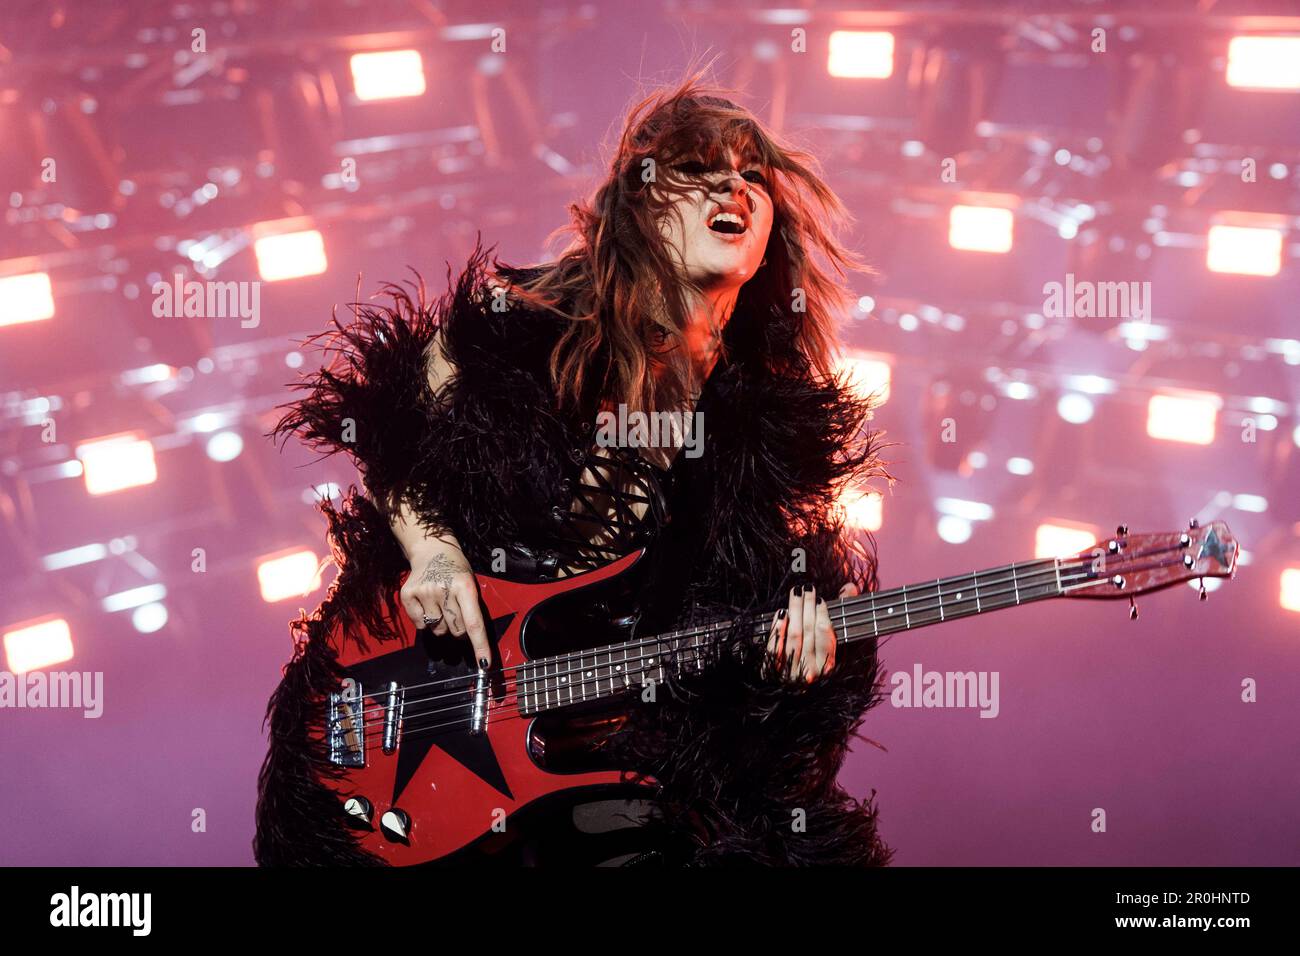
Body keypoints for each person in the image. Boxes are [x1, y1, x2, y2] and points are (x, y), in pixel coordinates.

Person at [255, 71, 893, 867]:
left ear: (772, 235)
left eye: (753, 177)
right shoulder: (523, 329)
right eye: (699, 170)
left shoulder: (770, 433)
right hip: (404, 719)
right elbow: (389, 426)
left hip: (595, 781)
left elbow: (731, 679)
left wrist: (791, 667)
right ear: (642, 203)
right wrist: (434, 550)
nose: (733, 185)